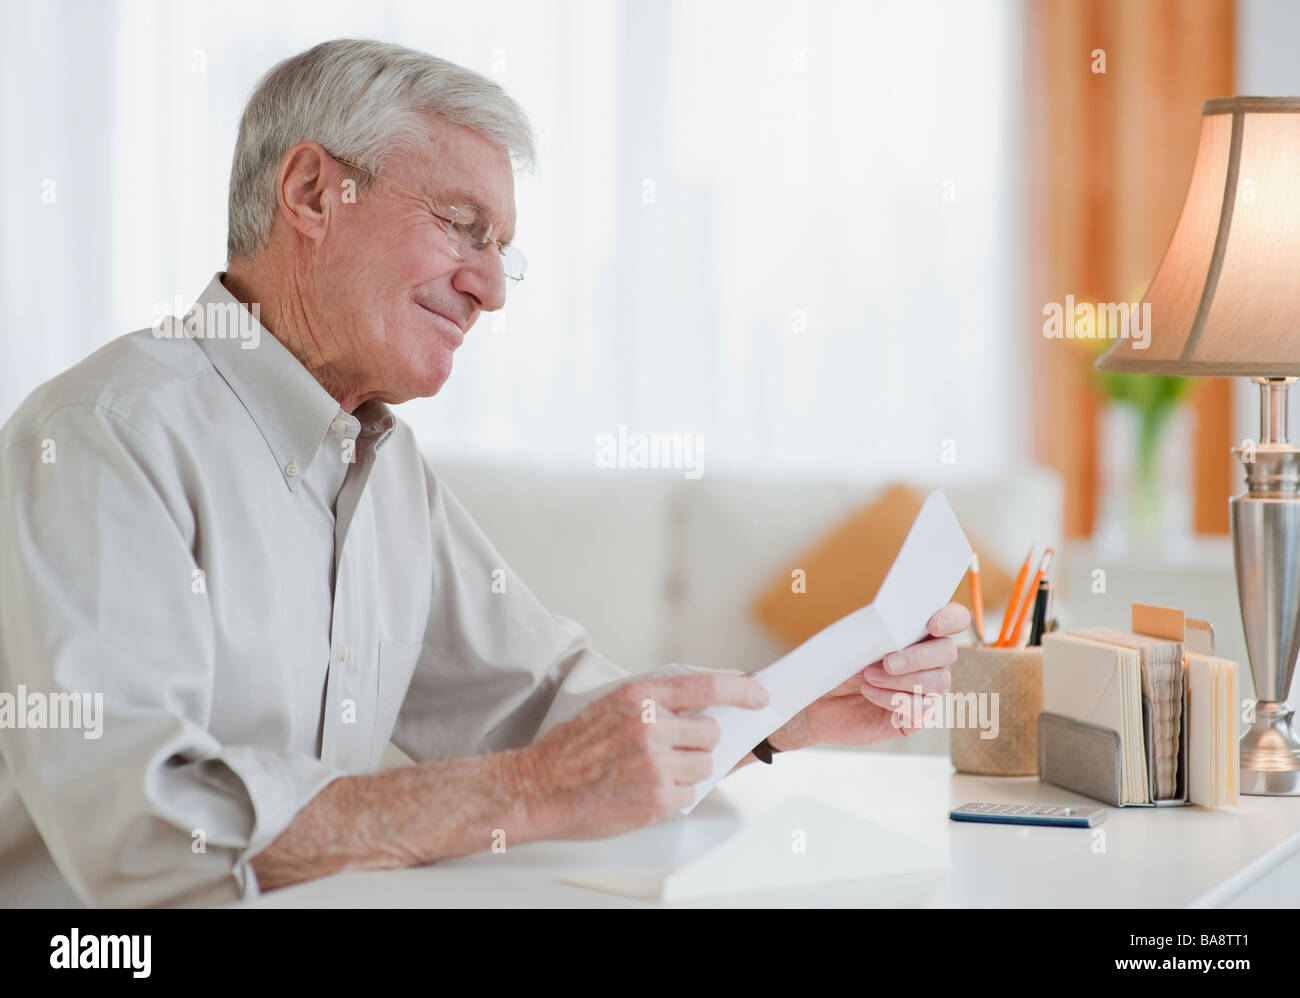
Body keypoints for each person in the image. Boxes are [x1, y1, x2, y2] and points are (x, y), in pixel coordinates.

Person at [0, 38, 968, 907]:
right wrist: (531, 790)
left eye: (503, 251)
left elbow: (547, 707)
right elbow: (148, 832)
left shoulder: (383, 467)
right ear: (311, 194)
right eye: (462, 226)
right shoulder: (103, 437)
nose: (493, 289)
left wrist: (787, 708)